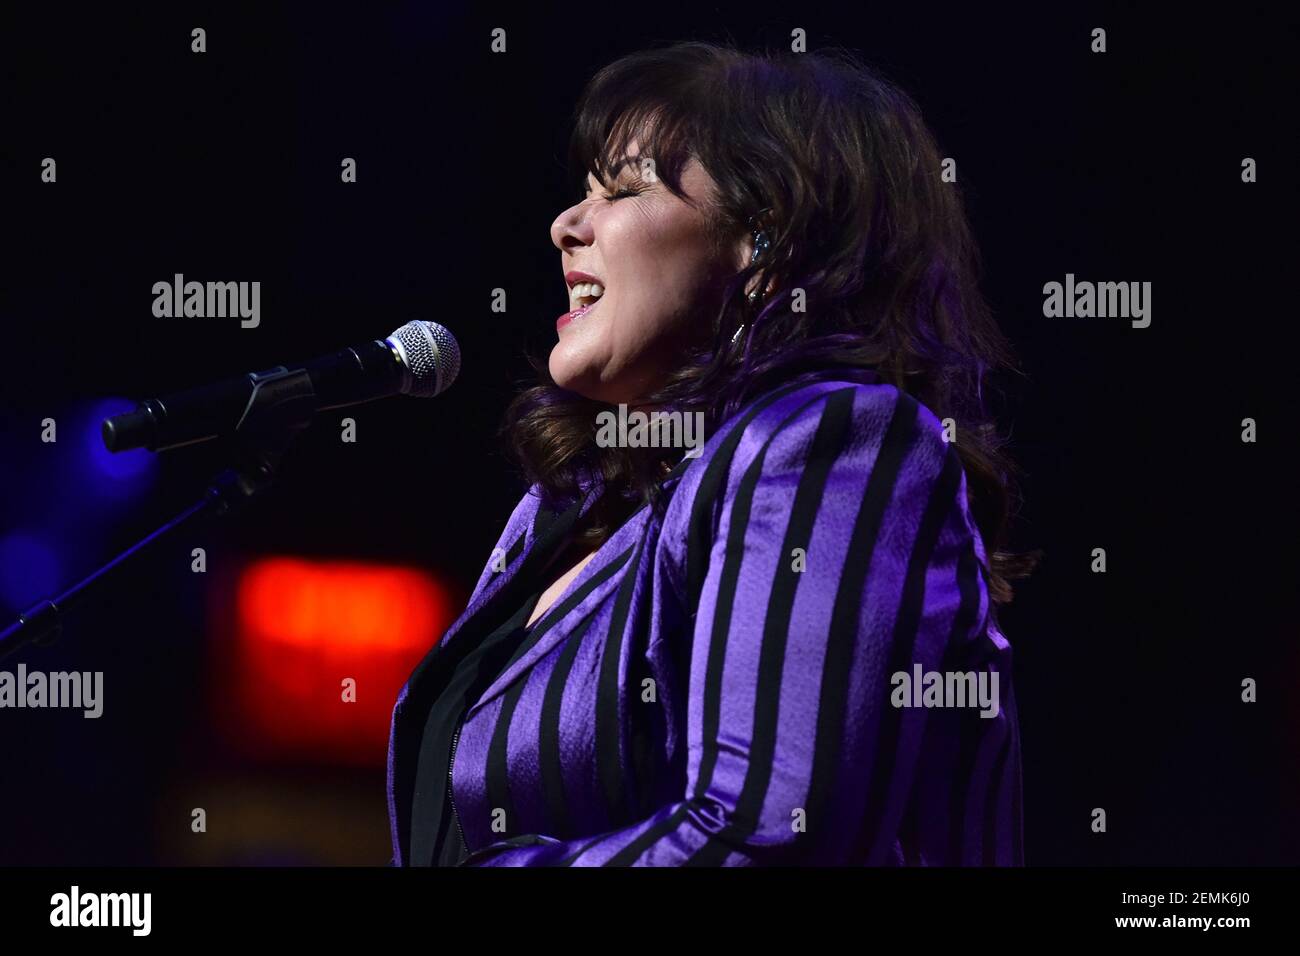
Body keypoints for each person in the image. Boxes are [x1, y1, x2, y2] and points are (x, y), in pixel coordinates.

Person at [387, 40, 1031, 866]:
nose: (564, 226)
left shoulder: (839, 443)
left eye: (621, 190)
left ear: (765, 242)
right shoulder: (560, 512)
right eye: (580, 192)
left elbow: (769, 837)